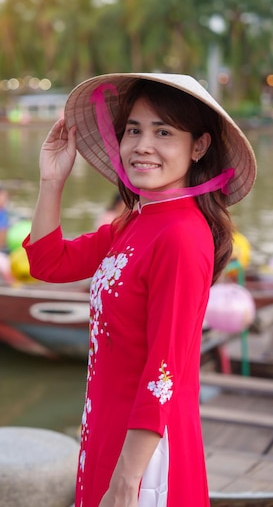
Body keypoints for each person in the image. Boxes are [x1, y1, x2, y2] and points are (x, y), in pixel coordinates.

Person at [23, 73, 257, 507]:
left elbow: (165, 367)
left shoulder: (183, 236)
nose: (142, 145)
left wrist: (129, 477)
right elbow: (48, 262)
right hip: (107, 427)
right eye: (134, 130)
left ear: (199, 146)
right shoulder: (135, 222)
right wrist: (51, 182)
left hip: (146, 450)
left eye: (163, 132)